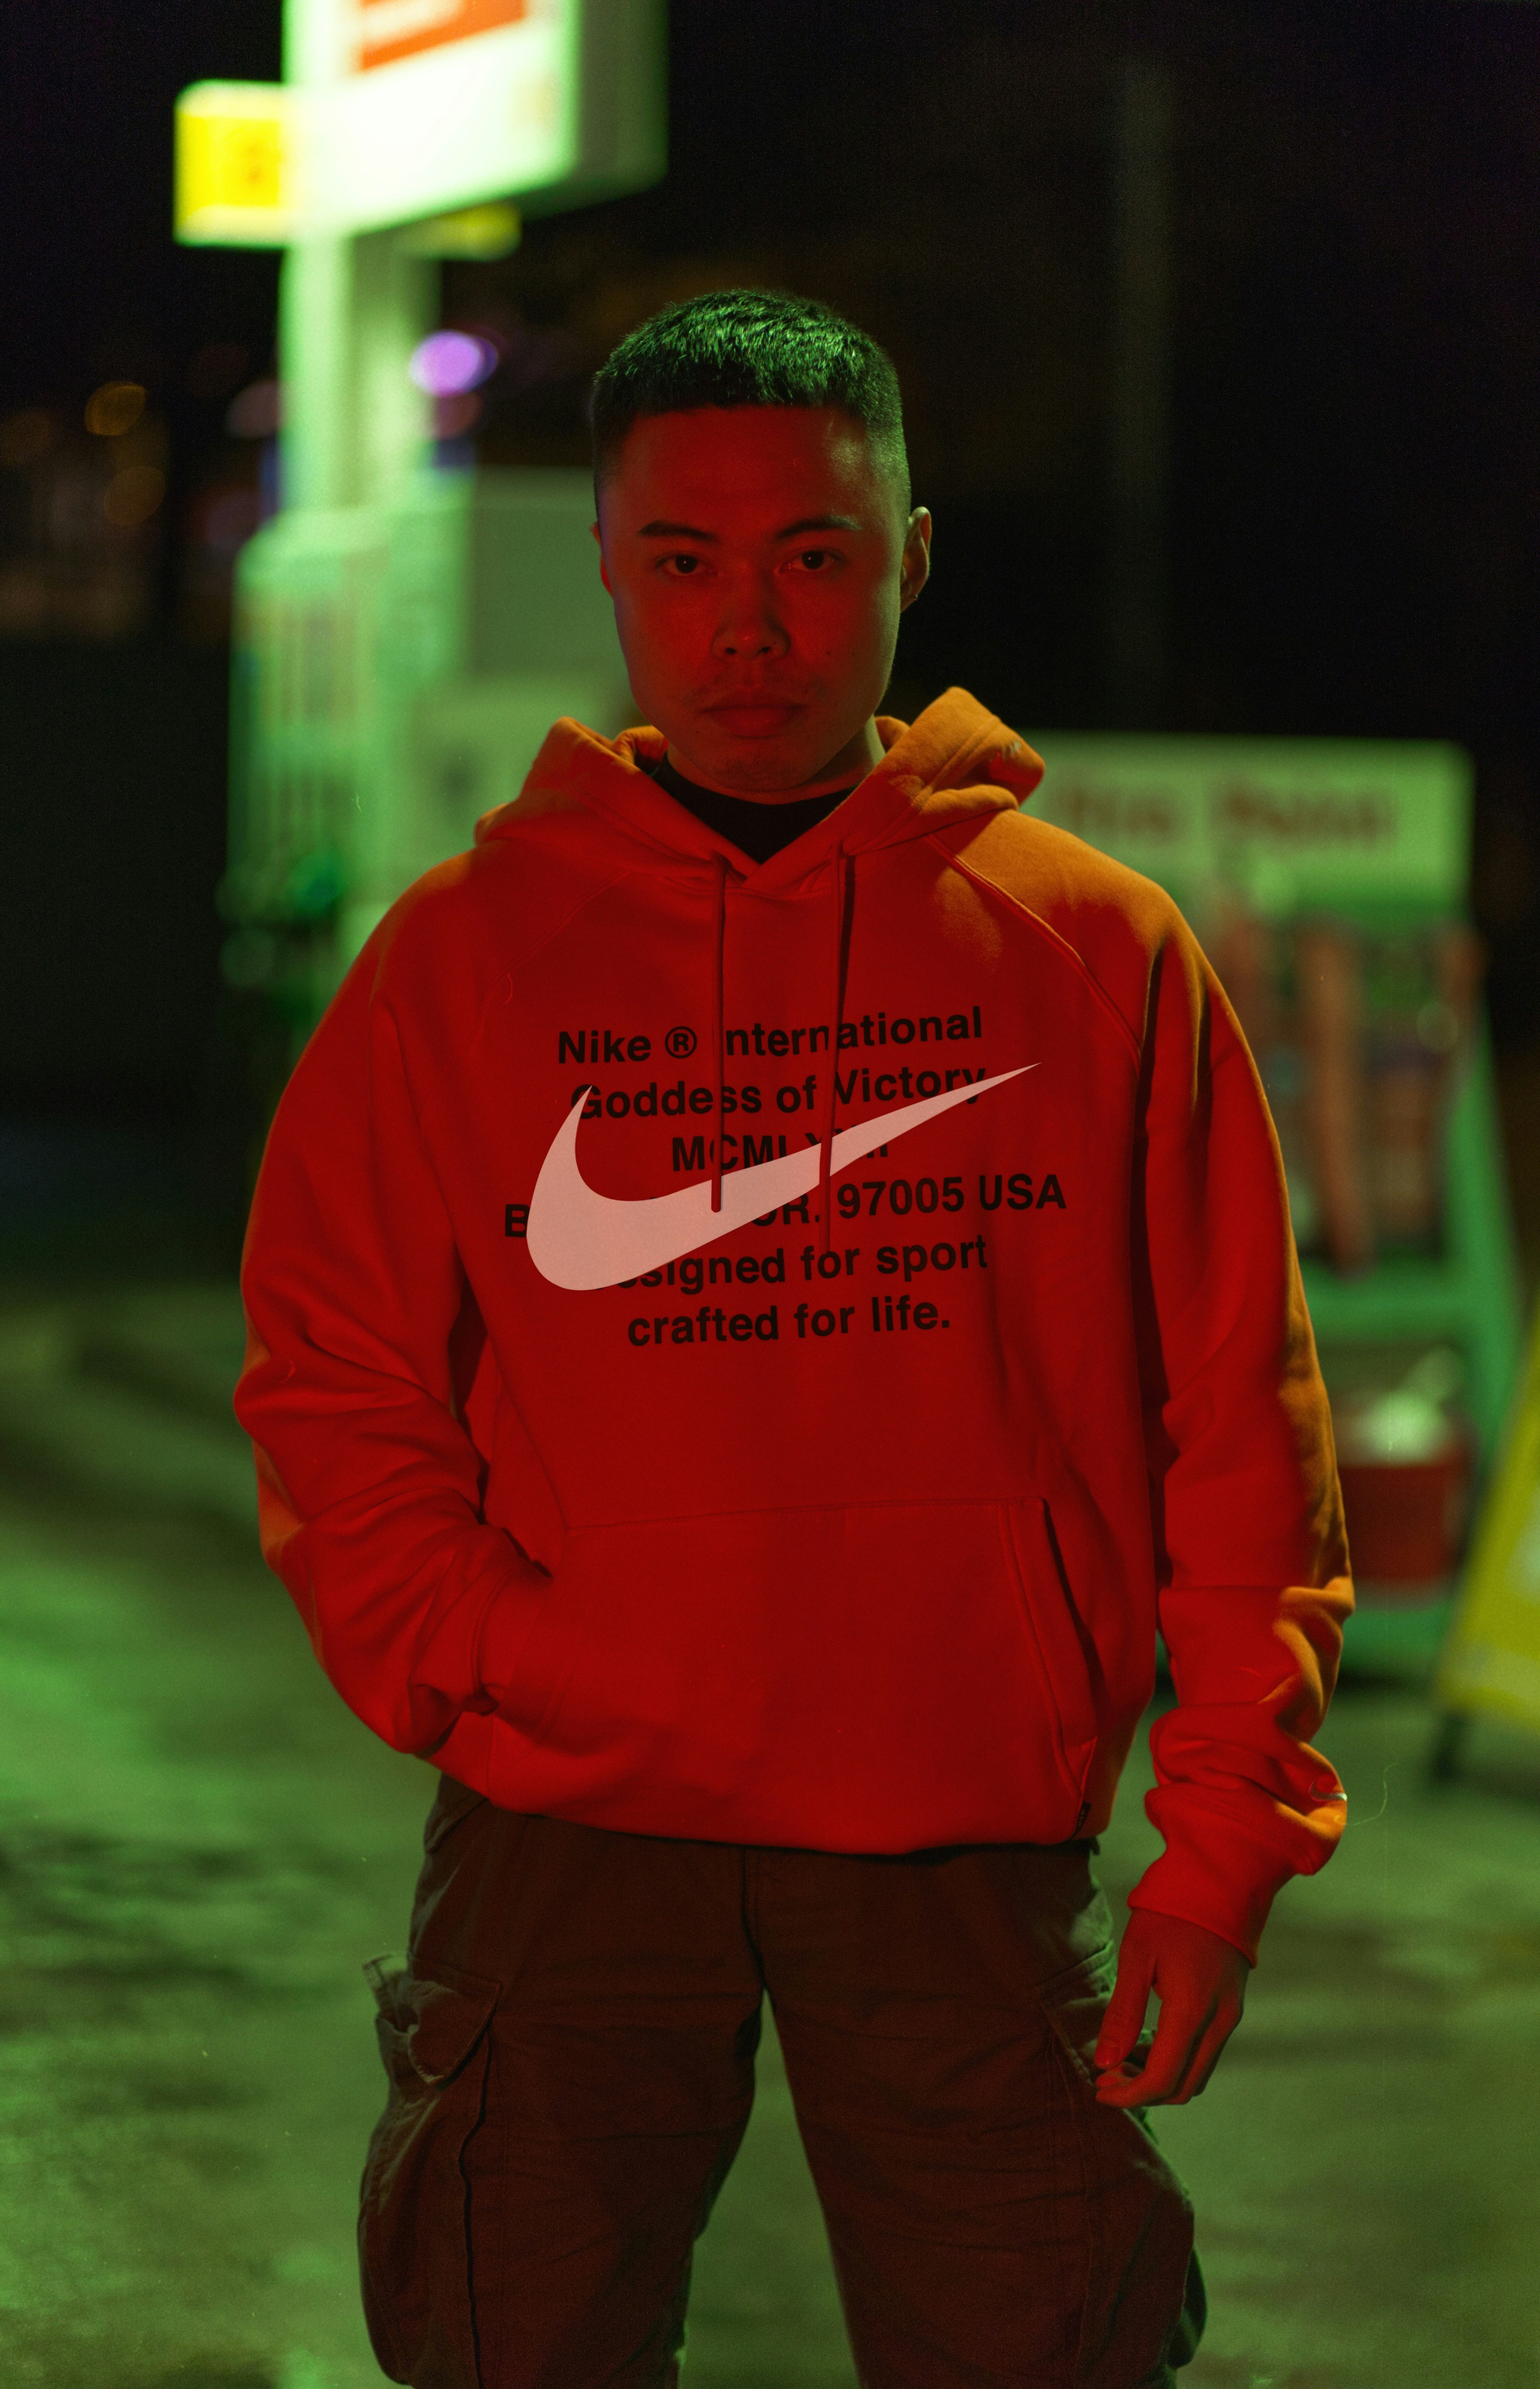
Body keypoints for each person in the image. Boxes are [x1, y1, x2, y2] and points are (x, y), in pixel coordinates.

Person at [235, 288, 1352, 2389]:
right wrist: (506, 1646)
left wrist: (1221, 1850)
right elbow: (334, 1375)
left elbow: (1241, 1423)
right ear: (612, 568)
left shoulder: (1097, 954)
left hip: (961, 1835)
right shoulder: (464, 960)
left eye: (813, 556)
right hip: (572, 1828)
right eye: (684, 559)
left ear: (911, 556)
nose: (749, 627)